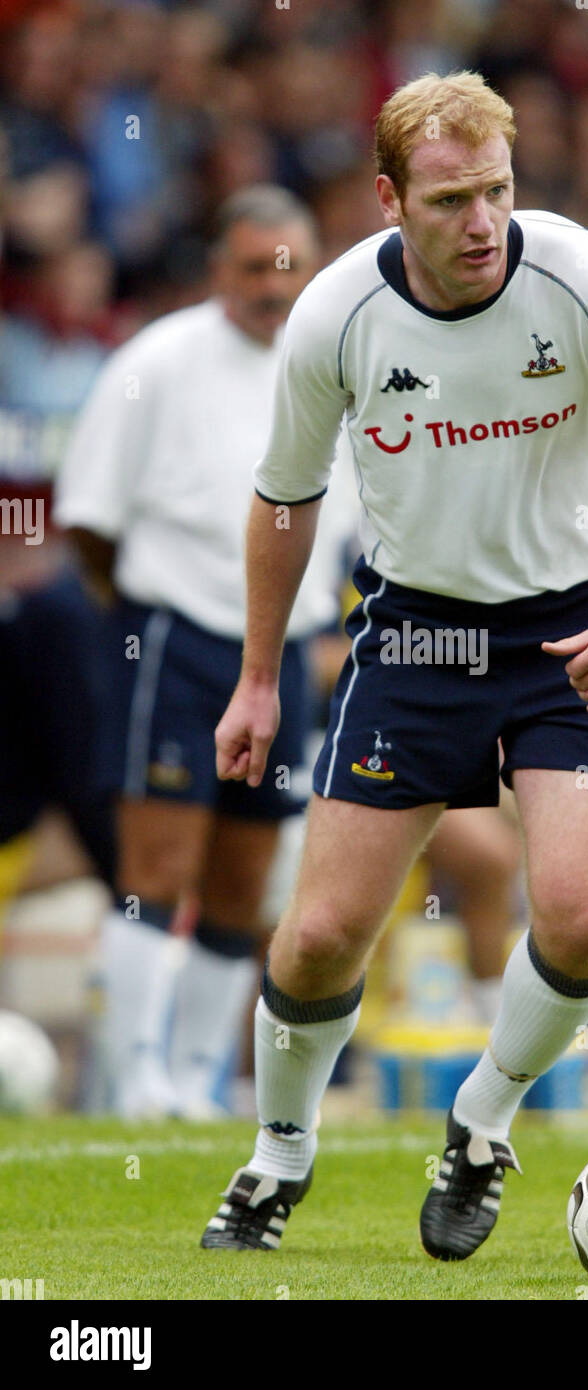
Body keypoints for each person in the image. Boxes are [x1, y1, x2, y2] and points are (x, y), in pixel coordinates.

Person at [200, 73, 588, 1258]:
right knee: (312, 940)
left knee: (572, 916)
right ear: (387, 198)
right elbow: (283, 501)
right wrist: (259, 676)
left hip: (578, 627)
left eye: (497, 191)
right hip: (412, 634)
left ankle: (480, 1124)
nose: (481, 223)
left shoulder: (577, 272)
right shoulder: (333, 315)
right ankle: (276, 1159)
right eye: (452, 197)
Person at [54, 184, 341, 1119]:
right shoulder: (157, 362)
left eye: (285, 267)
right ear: (218, 269)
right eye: (252, 267)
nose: (270, 287)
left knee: (247, 874)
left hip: (289, 647)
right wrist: (145, 617)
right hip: (174, 635)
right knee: (156, 863)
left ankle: (193, 1081)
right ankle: (131, 1078)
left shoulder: (333, 363)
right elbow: (90, 520)